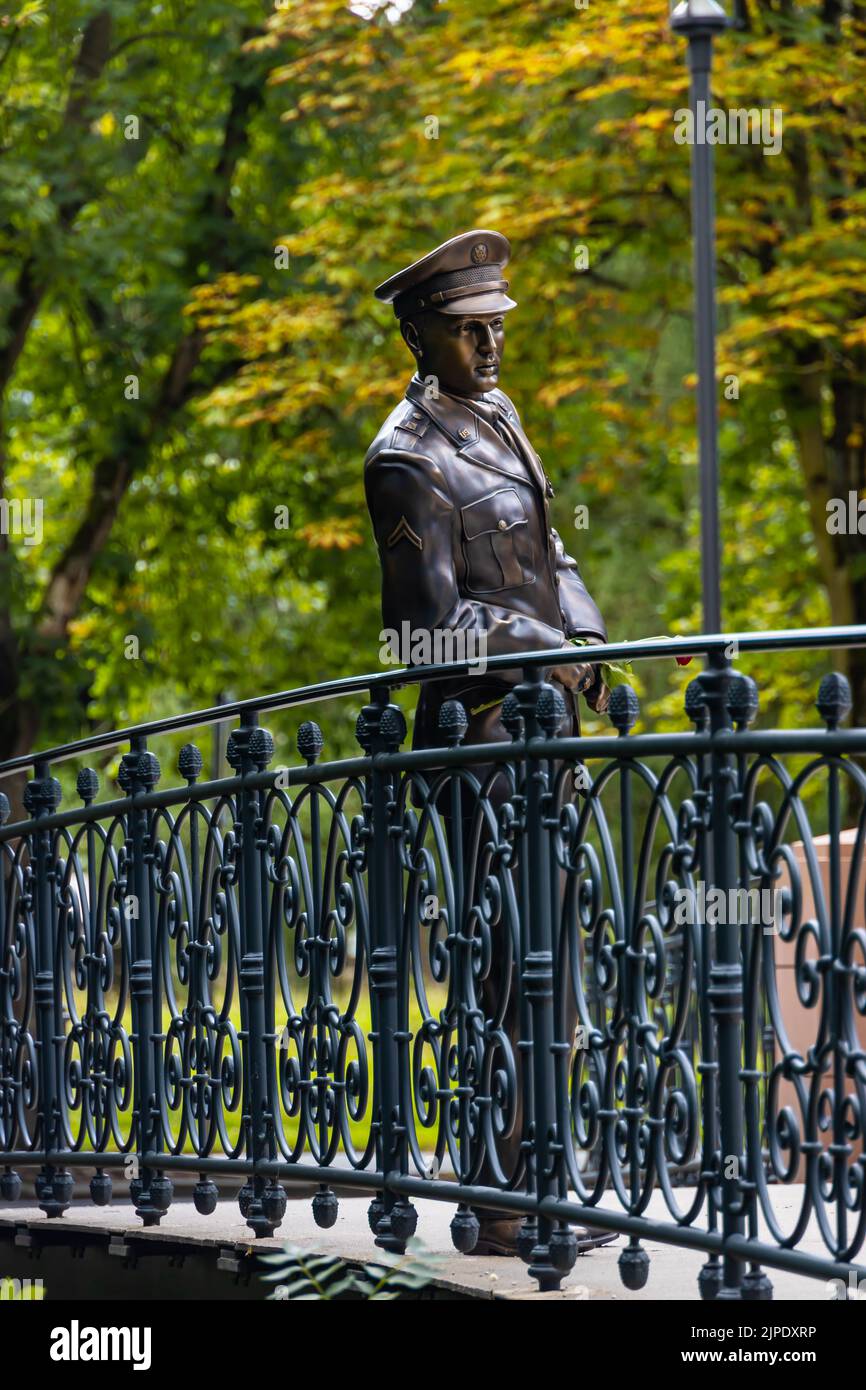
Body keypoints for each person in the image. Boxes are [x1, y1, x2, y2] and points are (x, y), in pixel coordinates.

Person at [363, 229, 616, 1257]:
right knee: (511, 967)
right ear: (421, 335)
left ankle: (552, 1178)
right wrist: (544, 644)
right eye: (469, 330)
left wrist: (590, 635)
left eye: (495, 326)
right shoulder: (403, 458)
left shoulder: (500, 417)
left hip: (542, 728)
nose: (490, 344)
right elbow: (418, 635)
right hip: (477, 737)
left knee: (557, 965)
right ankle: (505, 1201)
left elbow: (548, 550)